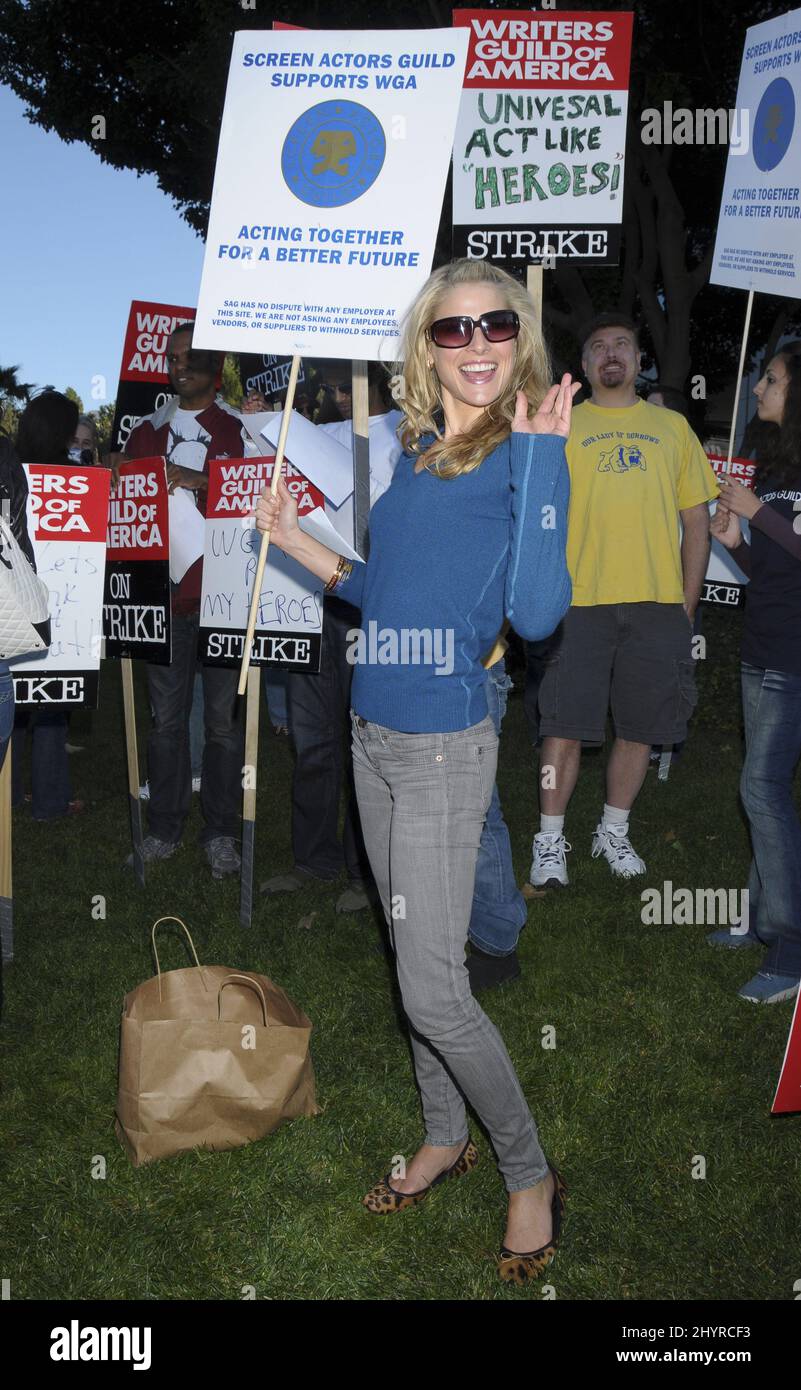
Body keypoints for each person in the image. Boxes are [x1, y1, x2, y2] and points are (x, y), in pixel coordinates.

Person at [256, 258, 574, 1283]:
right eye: (453, 329)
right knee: (411, 965)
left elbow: (532, 615)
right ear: (426, 348)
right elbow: (381, 590)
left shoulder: (522, 453)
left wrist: (546, 466)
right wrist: (296, 544)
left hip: (444, 739)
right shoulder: (421, 448)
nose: (477, 343)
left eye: (495, 325)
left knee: (438, 992)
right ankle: (444, 1134)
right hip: (373, 731)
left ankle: (530, 1173)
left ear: (515, 339)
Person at [529, 314, 717, 888]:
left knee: (639, 726)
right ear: (583, 366)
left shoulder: (672, 429)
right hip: (577, 603)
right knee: (561, 727)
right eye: (598, 347)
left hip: (657, 606)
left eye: (622, 346)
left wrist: (685, 607)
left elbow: (697, 523)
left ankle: (613, 829)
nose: (611, 355)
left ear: (638, 362)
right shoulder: (561, 426)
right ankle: (550, 840)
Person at [260, 362, 402, 914]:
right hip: (311, 603)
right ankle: (312, 857)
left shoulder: (409, 432)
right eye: (334, 389)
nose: (342, 398)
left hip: (371, 606)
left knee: (365, 742)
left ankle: (363, 868)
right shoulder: (310, 434)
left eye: (351, 387)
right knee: (313, 738)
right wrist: (264, 427)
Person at [116, 322, 246, 878]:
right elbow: (122, 498)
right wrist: (122, 477)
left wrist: (199, 480)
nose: (178, 366)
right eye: (172, 358)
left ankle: (221, 832)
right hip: (163, 605)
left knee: (220, 725)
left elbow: (256, 496)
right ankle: (165, 827)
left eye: (189, 358)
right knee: (165, 723)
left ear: (215, 368)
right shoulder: (146, 430)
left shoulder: (239, 429)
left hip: (222, 599)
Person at [709, 341, 801, 1004]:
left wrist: (755, 512)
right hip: (762, 644)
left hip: (793, 658)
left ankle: (789, 946)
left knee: (761, 789)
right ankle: (755, 917)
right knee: (763, 791)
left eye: (769, 379)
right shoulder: (774, 466)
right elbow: (773, 570)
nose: (759, 388)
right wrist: (735, 544)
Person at [11, 392, 83, 820]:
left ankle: (10, 793)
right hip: (64, 606)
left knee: (11, 703)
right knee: (53, 705)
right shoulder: (75, 479)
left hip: (14, 603)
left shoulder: (9, 471)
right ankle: (51, 801)